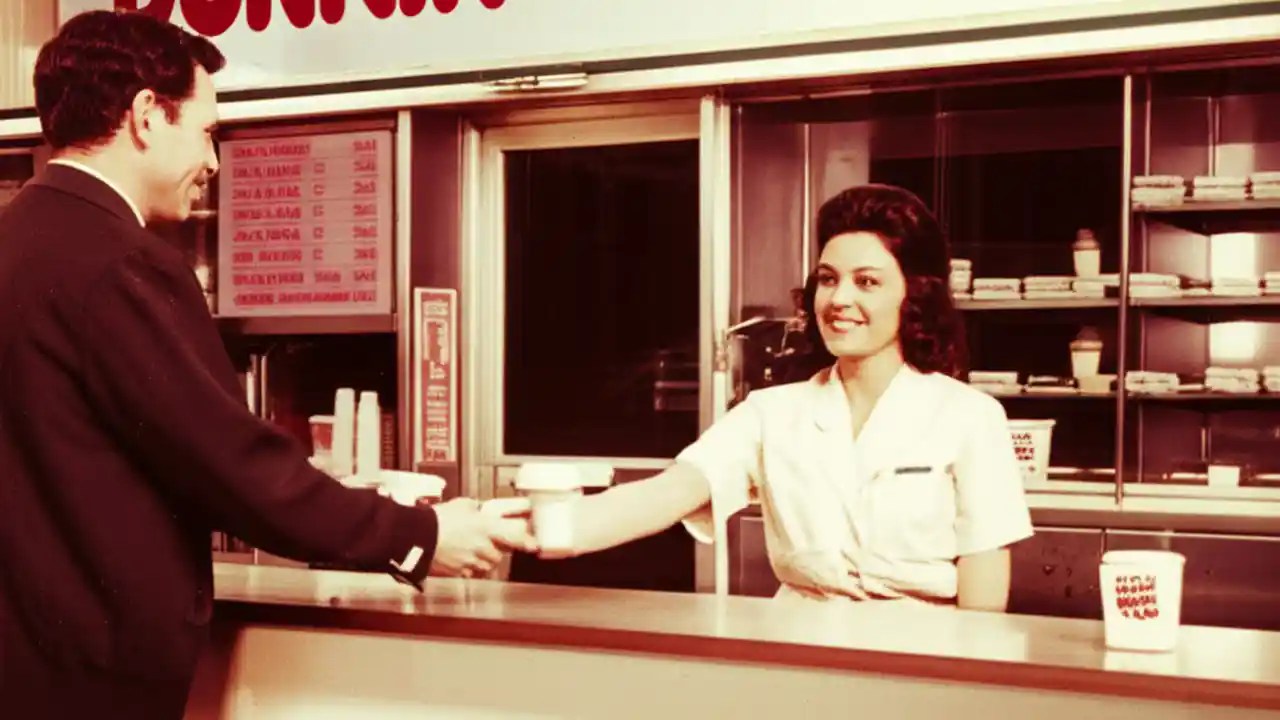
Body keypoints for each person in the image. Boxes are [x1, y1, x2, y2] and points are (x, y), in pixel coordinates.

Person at [0, 10, 534, 717]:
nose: (214, 163)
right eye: (207, 132)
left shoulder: (16, 242)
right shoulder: (122, 264)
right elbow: (231, 468)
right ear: (146, 116)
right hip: (89, 683)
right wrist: (419, 537)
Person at [543, 184, 1034, 609]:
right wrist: (540, 527)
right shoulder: (772, 413)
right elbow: (666, 494)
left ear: (914, 296)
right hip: (802, 647)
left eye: (866, 281)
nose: (839, 299)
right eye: (827, 279)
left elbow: (984, 598)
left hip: (924, 660)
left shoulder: (969, 416)